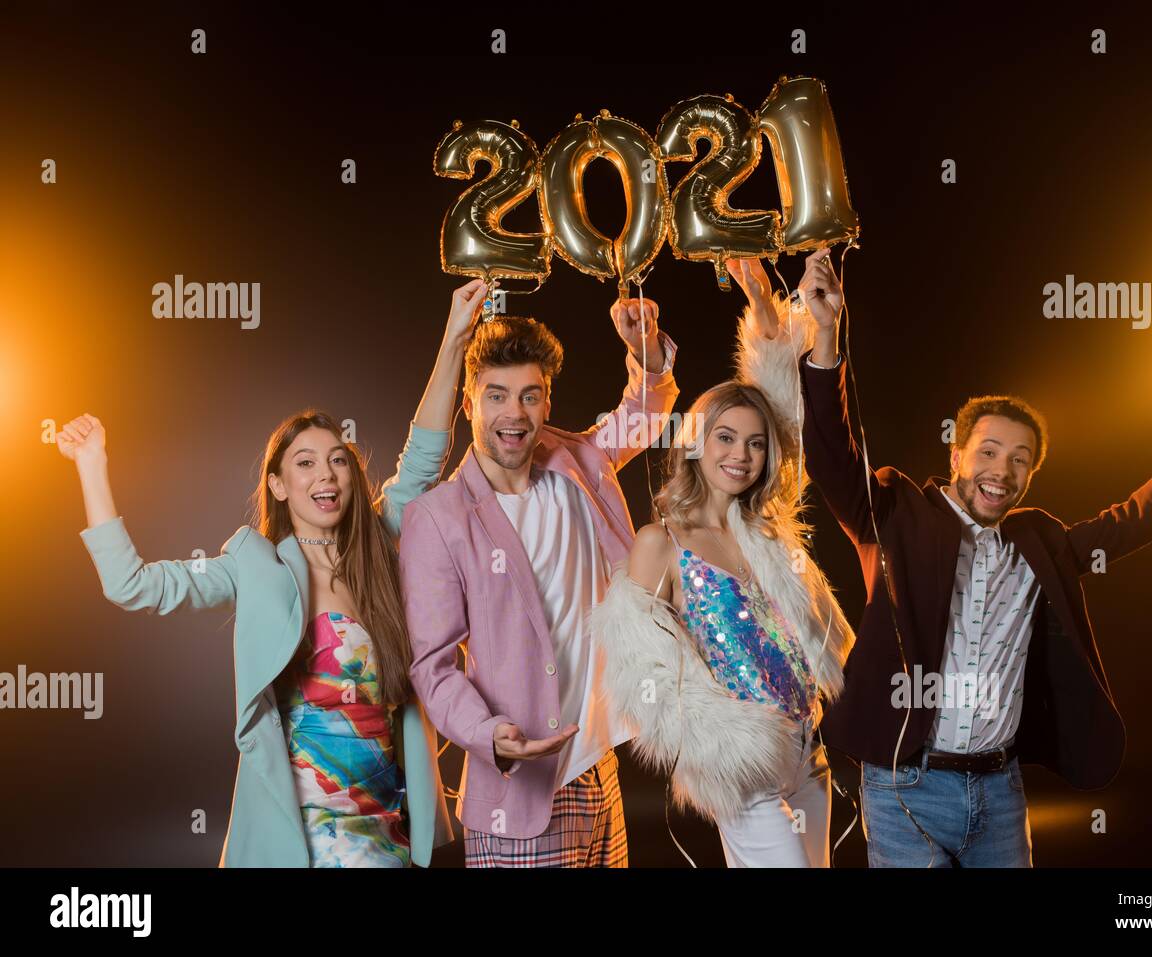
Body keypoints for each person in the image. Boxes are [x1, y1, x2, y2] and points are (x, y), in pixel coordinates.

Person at [733, 247, 1152, 867]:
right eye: (990, 451)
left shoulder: (1040, 544)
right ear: (956, 456)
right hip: (903, 788)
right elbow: (836, 453)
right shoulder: (894, 514)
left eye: (1020, 459)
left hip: (999, 792)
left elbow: (1137, 518)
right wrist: (828, 337)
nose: (1003, 470)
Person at [59, 279, 490, 866]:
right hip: (298, 839)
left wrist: (455, 338)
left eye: (338, 460)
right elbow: (132, 586)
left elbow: (422, 456)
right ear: (280, 486)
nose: (327, 475)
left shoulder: (383, 547)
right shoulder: (254, 564)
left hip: (383, 828)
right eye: (305, 463)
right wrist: (92, 466)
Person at [399, 298, 679, 867]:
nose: (515, 413)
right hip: (521, 790)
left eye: (530, 395)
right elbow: (432, 665)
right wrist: (489, 734)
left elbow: (645, 413)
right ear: (470, 400)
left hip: (599, 771)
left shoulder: (577, 461)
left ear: (547, 399)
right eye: (497, 395)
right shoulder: (439, 517)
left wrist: (644, 348)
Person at [590, 285, 855, 867]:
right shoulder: (661, 542)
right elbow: (642, 675)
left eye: (755, 444)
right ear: (696, 443)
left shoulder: (763, 528)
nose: (741, 455)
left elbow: (792, 420)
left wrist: (765, 305)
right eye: (725, 437)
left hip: (807, 749)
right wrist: (715, 745)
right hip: (744, 765)